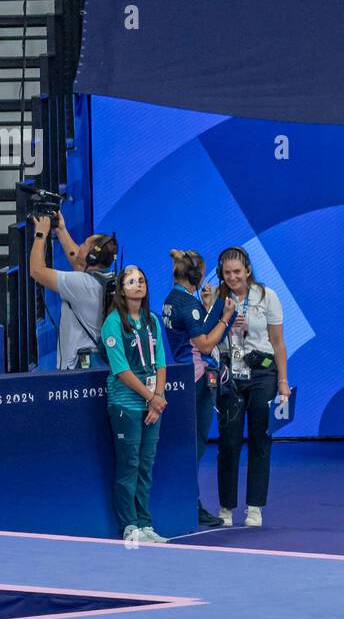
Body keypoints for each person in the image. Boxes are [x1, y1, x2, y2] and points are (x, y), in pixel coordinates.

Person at [214, 247, 292, 528]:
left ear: (248, 270)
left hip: (262, 374)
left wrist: (283, 382)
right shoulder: (216, 298)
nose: (233, 277)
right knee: (229, 442)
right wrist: (226, 323)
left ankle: (255, 507)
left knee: (260, 439)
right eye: (227, 273)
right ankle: (225, 508)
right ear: (221, 274)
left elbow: (278, 342)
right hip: (230, 376)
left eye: (238, 271)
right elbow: (206, 339)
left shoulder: (266, 296)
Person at [162, 249, 237, 529]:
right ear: (196, 275)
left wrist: (207, 308)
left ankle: (185, 500)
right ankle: (189, 503)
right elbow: (205, 344)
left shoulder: (170, 300)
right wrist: (225, 316)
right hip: (198, 378)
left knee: (189, 443)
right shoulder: (188, 305)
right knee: (195, 444)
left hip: (183, 375)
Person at [101, 265, 169, 545]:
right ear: (121, 288)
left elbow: (161, 362)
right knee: (128, 464)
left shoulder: (152, 320)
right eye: (131, 281)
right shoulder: (113, 322)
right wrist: (151, 397)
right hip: (126, 404)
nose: (138, 285)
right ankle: (129, 525)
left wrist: (158, 399)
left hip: (152, 405)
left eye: (141, 280)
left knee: (145, 465)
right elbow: (121, 369)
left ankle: (145, 523)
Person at [29, 211, 117, 370]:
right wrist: (61, 231)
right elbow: (78, 263)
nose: (80, 246)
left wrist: (40, 234)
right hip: (101, 362)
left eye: (83, 244)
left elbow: (36, 271)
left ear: (92, 257)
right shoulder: (110, 278)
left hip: (76, 367)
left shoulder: (79, 283)